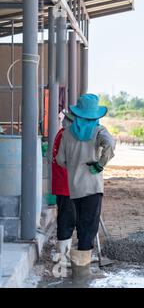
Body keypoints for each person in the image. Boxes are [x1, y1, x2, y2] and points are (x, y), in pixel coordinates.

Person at [57, 94, 116, 277]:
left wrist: (74, 168)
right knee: (87, 229)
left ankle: (77, 268)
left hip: (74, 189)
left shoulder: (66, 134)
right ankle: (81, 274)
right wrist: (99, 164)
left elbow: (60, 160)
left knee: (79, 225)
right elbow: (110, 145)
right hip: (92, 188)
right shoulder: (98, 131)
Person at [52, 110, 76, 266]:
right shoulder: (65, 135)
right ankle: (62, 256)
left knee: (68, 218)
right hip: (66, 185)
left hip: (65, 184)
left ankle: (65, 253)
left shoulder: (62, 133)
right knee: (67, 219)